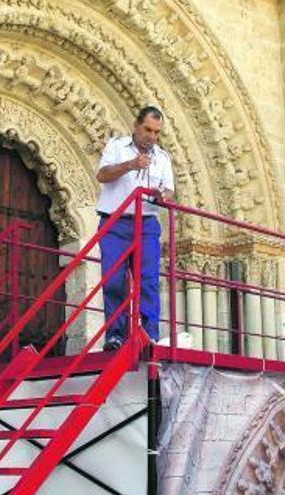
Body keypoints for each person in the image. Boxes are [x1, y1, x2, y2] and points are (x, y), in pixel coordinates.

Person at [95, 106, 174, 351]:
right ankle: (115, 336)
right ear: (136, 126)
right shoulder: (116, 147)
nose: (152, 136)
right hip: (115, 222)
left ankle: (149, 335)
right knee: (114, 280)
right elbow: (102, 175)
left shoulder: (163, 157)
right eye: (148, 129)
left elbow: (169, 190)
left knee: (149, 280)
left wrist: (165, 196)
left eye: (157, 132)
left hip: (147, 224)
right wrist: (130, 165)